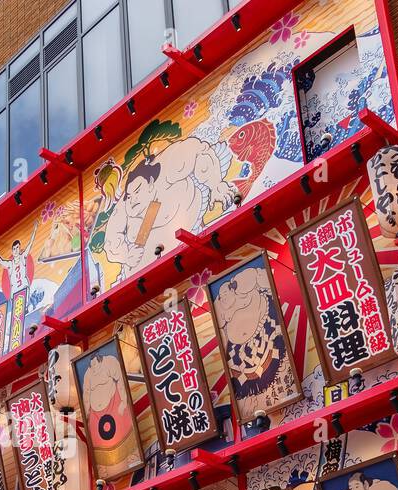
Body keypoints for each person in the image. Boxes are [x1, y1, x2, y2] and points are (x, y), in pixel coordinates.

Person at [103, 138, 233, 278]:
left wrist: (216, 184)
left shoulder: (166, 166)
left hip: (193, 235)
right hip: (155, 271)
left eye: (138, 190)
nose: (133, 199)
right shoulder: (126, 205)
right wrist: (126, 256)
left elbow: (197, 150)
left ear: (151, 183)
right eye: (129, 196)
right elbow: (110, 238)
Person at [211, 265, 301, 419]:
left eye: (226, 292)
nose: (224, 297)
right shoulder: (223, 314)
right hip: (241, 363)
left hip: (270, 346)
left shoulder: (257, 294)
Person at [80, 349, 142, 477]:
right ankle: (103, 470)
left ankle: (134, 457)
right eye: (91, 366)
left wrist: (123, 401)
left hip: (113, 402)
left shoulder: (110, 362)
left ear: (99, 359)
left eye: (95, 364)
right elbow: (86, 396)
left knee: (125, 428)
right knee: (98, 441)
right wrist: (86, 416)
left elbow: (119, 379)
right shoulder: (88, 374)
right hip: (96, 413)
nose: (94, 368)